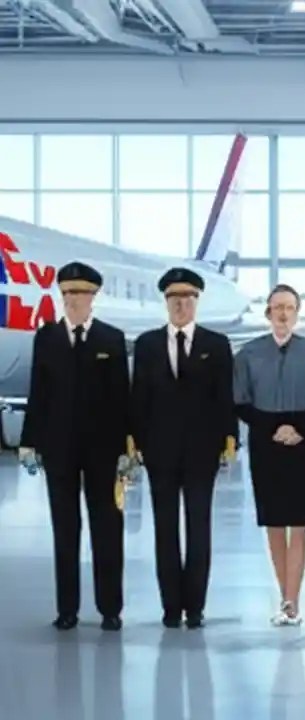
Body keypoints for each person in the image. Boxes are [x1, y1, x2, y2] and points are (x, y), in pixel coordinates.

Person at [20, 262, 131, 631]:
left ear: (92, 297)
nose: (72, 301)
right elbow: (39, 392)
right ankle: (67, 609)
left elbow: (121, 399)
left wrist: (125, 450)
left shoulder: (110, 339)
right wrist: (29, 440)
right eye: (67, 294)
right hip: (59, 450)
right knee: (64, 529)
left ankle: (110, 609)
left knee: (106, 528)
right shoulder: (47, 338)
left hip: (102, 452)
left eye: (79, 294)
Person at [131, 267, 237, 629]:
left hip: (201, 453)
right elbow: (138, 399)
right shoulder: (147, 345)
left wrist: (229, 439)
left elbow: (226, 398)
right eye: (174, 298)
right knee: (164, 530)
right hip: (159, 453)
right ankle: (170, 607)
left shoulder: (216, 345)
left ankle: (195, 606)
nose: (181, 304)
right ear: (166, 302)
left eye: (188, 298)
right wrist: (136, 443)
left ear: (197, 301)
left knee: (199, 527)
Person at [232, 284, 305, 627]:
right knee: (274, 521)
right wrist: (272, 428)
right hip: (265, 443)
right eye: (278, 307)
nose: (284, 313)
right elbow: (241, 401)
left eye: (290, 307)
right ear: (268, 313)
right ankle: (283, 596)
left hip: (304, 445)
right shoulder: (247, 354)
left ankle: (294, 601)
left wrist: (298, 428)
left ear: (297, 311)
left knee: (300, 521)